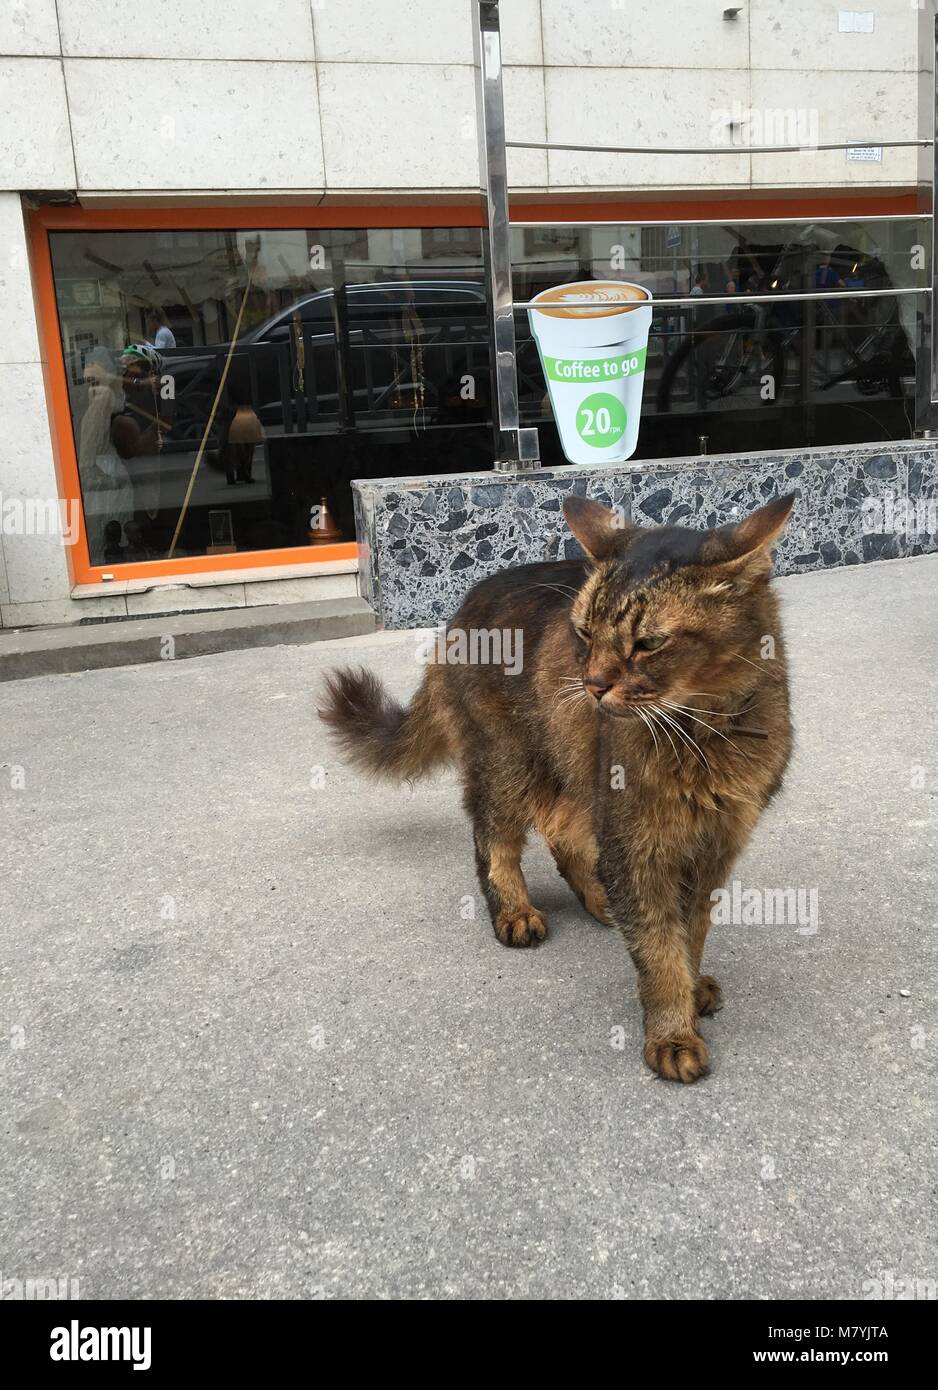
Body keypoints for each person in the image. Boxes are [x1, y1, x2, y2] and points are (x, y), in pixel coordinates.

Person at [77, 348, 136, 564]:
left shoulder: (101, 394)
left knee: (109, 524)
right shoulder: (104, 395)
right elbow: (89, 443)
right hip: (105, 467)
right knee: (110, 523)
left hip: (107, 466)